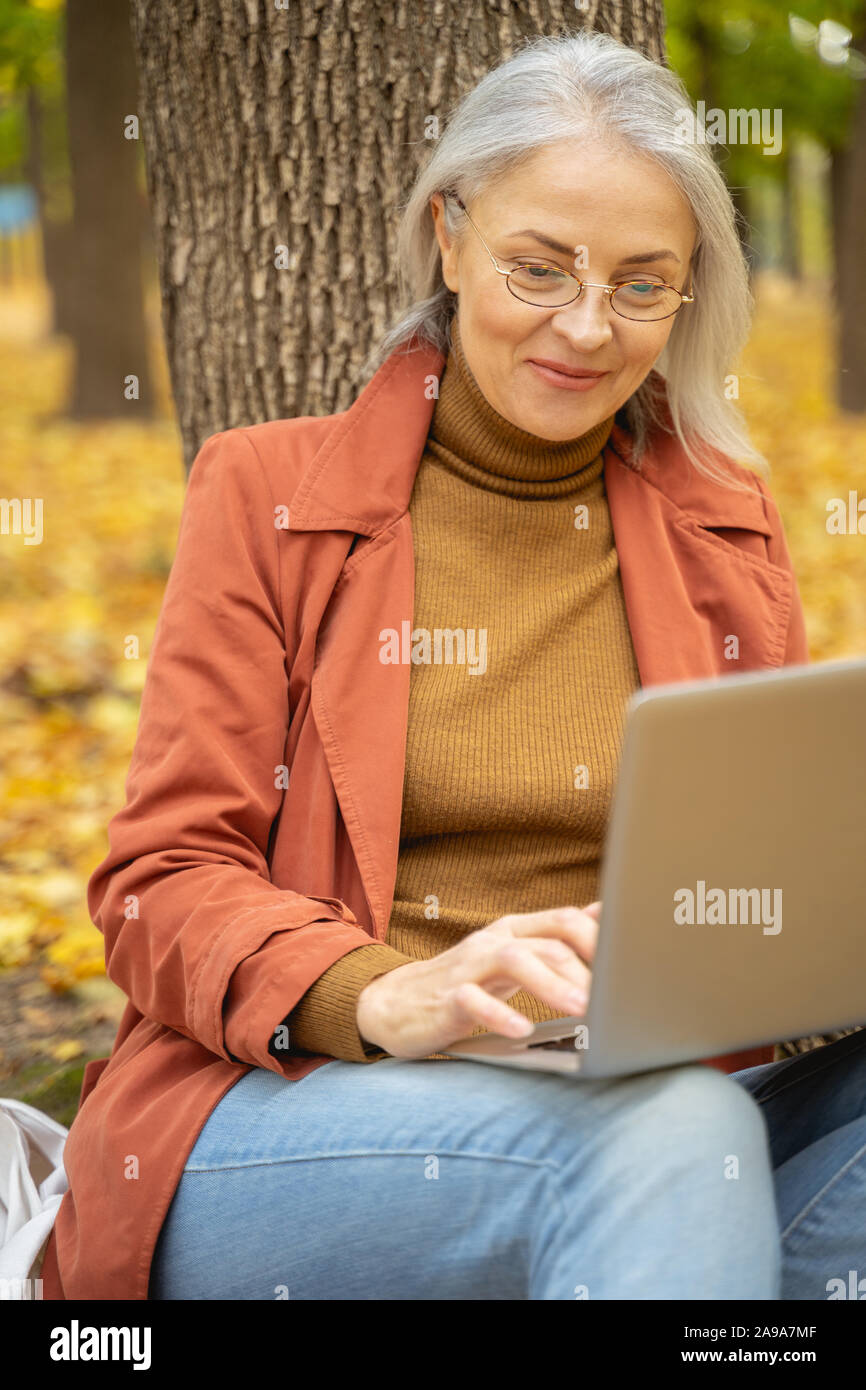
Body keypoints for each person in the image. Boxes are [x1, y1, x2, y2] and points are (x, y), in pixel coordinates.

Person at [42, 30, 865, 1302]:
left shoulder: (722, 519)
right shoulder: (269, 492)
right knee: (673, 1143)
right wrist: (386, 993)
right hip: (305, 1105)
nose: (586, 329)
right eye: (539, 269)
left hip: (636, 1088)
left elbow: (752, 873)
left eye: (642, 286)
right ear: (449, 233)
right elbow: (160, 881)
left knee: (677, 1136)